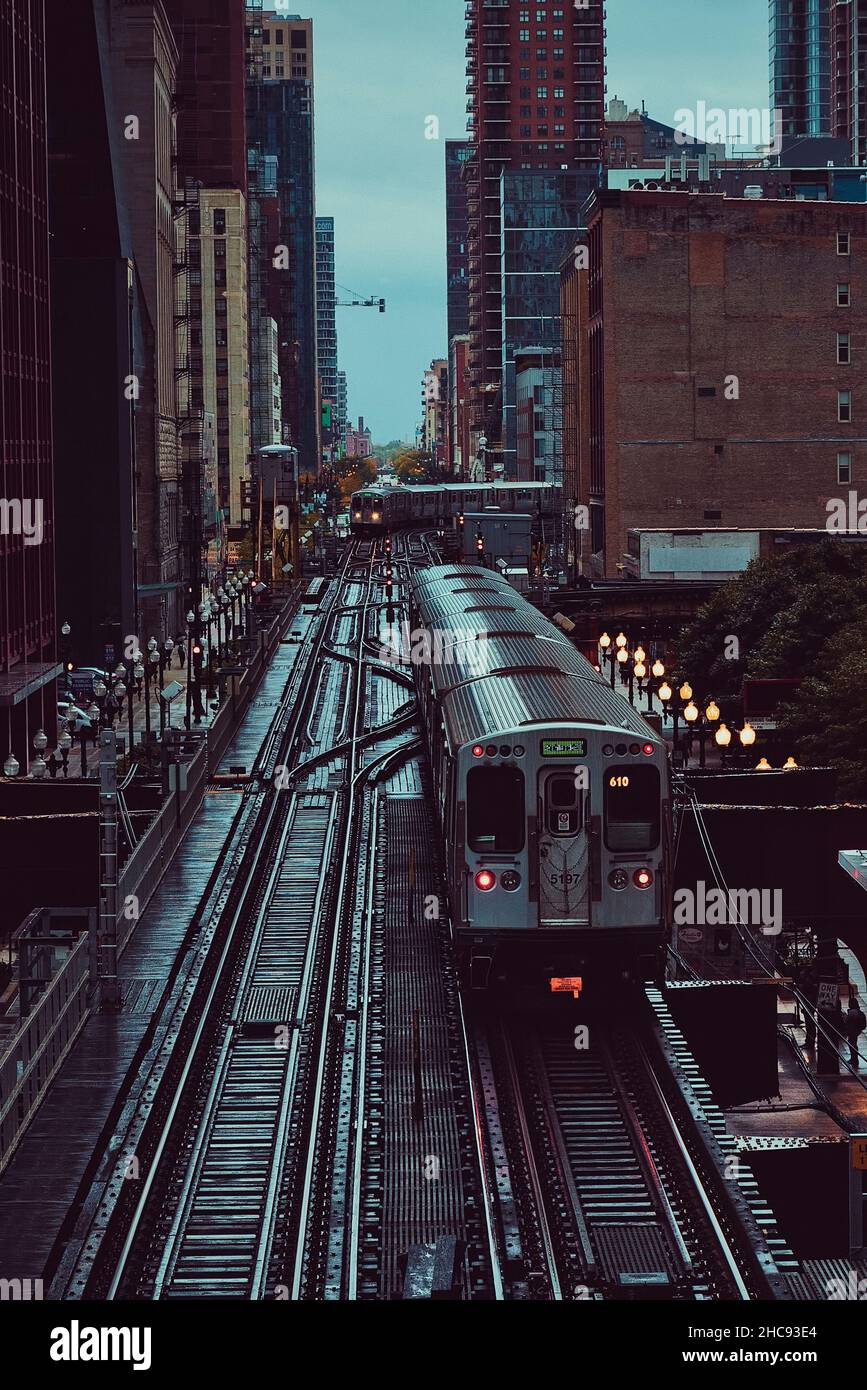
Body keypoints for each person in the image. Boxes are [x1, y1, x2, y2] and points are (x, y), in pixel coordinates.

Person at [846, 999, 867, 1070]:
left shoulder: (852, 1012)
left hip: (853, 1030)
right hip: (857, 1029)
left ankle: (854, 1059)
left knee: (852, 1043)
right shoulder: (858, 1011)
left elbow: (848, 1021)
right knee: (853, 1043)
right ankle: (854, 1058)